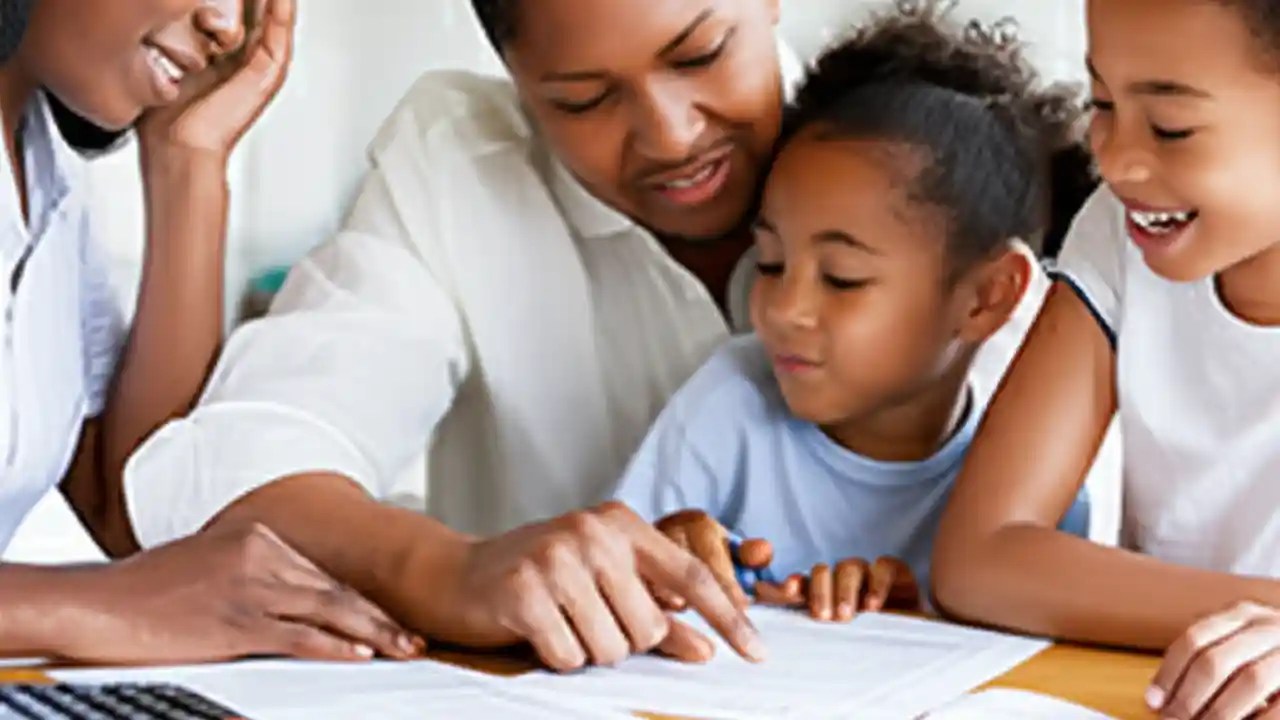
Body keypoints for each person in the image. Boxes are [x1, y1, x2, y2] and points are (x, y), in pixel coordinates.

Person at [119, 0, 1052, 671]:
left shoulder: (933, 173)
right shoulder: (462, 163)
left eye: (700, 53)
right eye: (581, 99)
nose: (670, 135)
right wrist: (451, 568)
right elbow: (234, 465)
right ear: (518, 81)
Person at [614, 5, 1092, 623]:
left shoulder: (1035, 458)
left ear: (988, 297)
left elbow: (1051, 647)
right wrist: (665, 555)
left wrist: (914, 619)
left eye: (842, 278)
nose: (784, 309)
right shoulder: (729, 403)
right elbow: (620, 573)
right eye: (770, 263)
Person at [0, 0, 429, 663]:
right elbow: (135, 584)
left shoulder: (46, 176)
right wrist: (96, 606)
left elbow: (132, 512)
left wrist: (188, 160)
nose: (227, 25)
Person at [926, 1, 1280, 718]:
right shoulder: (1122, 236)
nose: (1114, 161)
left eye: (1171, 126)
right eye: (1103, 103)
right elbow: (979, 558)